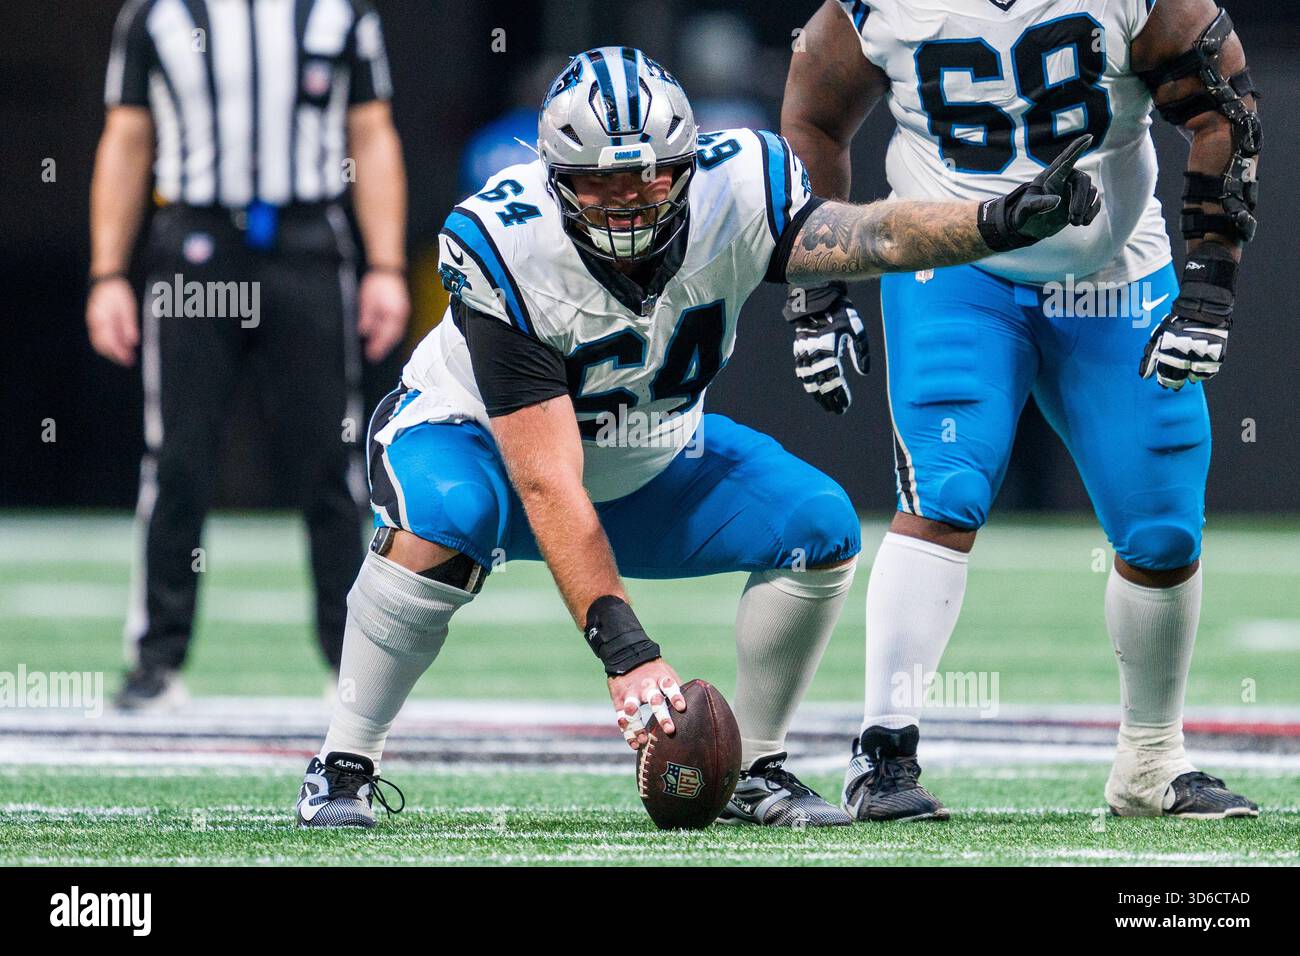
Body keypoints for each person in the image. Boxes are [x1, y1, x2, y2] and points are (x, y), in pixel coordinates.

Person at [294, 46, 1098, 828]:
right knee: (450, 514)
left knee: (819, 526)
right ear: (555, 179)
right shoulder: (506, 240)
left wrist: (994, 223)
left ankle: (754, 767)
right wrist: (628, 652)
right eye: (601, 180)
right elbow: (544, 480)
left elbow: (877, 237)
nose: (629, 197)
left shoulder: (740, 184)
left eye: (649, 173)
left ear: (688, 161)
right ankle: (342, 762)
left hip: (649, 454)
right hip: (478, 446)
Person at [781, 0, 1260, 819]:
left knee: (1162, 525)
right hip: (953, 262)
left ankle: (1150, 758)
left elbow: (1224, 113)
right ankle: (883, 751)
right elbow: (812, 122)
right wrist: (814, 288)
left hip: (1113, 264)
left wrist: (1209, 289)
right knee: (943, 491)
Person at [87, 0, 410, 708]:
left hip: (307, 246)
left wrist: (385, 263)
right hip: (197, 245)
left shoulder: (338, 12)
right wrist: (108, 273)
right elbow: (128, 136)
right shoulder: (158, 13)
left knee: (331, 462)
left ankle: (350, 663)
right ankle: (157, 660)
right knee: (178, 455)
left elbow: (371, 131)